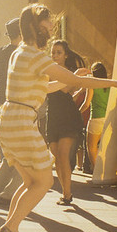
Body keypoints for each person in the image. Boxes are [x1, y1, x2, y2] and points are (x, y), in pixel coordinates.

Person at [0, 3, 117, 232]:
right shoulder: (36, 56)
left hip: (9, 119)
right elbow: (76, 81)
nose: (51, 27)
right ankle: (11, 228)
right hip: (21, 122)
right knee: (44, 182)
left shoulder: (19, 52)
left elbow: (44, 86)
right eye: (47, 24)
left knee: (30, 182)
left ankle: (10, 228)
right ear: (34, 26)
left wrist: (74, 79)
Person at [0, 18, 24, 204]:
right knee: (22, 154)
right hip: (13, 105)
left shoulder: (1, 52)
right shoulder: (20, 53)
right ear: (22, 33)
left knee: (8, 152)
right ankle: (8, 193)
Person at [46, 39, 86, 205]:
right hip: (53, 117)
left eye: (59, 52)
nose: (55, 55)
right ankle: (65, 192)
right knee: (57, 156)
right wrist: (76, 76)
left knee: (63, 155)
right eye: (53, 52)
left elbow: (65, 89)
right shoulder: (49, 71)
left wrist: (76, 78)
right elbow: (61, 88)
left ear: (65, 55)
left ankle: (67, 195)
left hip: (68, 117)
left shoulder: (69, 72)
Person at [82, 62, 111, 175]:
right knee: (105, 147)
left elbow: (86, 104)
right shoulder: (110, 85)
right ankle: (105, 171)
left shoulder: (92, 85)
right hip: (108, 119)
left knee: (91, 147)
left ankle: (97, 171)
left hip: (96, 119)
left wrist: (77, 112)